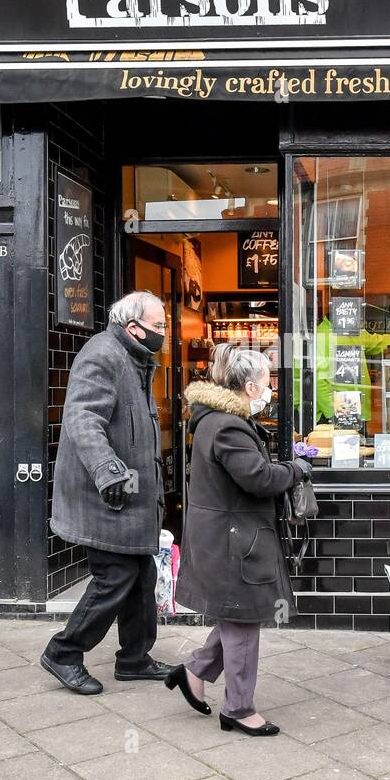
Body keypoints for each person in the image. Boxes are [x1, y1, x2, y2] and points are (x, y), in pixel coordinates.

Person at [164, 344, 311, 736]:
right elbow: (258, 478)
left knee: (235, 615)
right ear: (248, 386)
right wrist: (295, 469)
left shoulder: (218, 418)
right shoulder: (227, 425)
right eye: (266, 383)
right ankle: (239, 708)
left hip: (228, 536)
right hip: (234, 541)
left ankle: (193, 672)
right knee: (244, 618)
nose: (269, 391)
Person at [40, 291, 174, 695]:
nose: (164, 333)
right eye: (160, 326)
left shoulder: (134, 358)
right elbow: (82, 419)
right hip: (105, 496)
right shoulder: (102, 355)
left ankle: (134, 658)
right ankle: (64, 652)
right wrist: (108, 471)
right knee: (115, 576)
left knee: (141, 574)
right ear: (134, 327)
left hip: (127, 497)